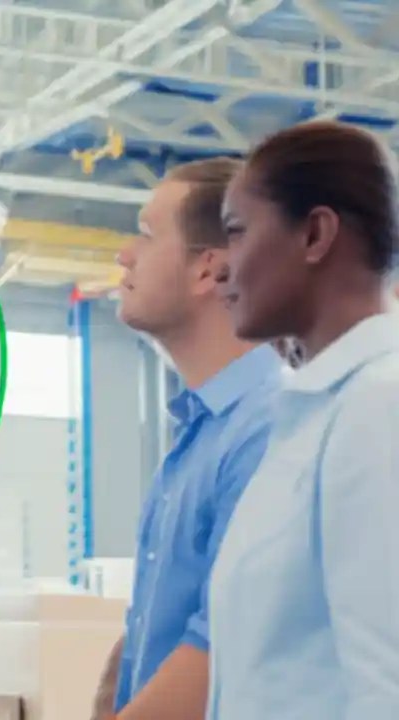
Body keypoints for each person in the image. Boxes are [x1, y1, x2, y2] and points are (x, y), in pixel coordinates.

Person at [208, 120, 399, 718]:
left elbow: (387, 683)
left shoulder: (378, 404)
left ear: (315, 233)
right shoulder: (315, 412)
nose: (220, 269)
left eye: (237, 233)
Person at [90, 158, 282, 720]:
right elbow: (156, 625)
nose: (125, 253)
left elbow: (217, 648)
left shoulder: (266, 430)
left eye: (147, 235)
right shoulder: (199, 433)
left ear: (210, 272)